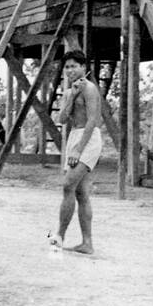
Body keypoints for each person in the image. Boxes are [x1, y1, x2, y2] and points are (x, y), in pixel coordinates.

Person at [54, 49, 103, 255]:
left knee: (67, 186)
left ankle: (59, 237)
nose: (70, 70)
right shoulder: (69, 91)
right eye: (67, 67)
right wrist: (72, 96)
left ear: (84, 67)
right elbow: (62, 119)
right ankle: (87, 243)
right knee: (81, 193)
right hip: (74, 135)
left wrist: (78, 148)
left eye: (74, 66)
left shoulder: (90, 88)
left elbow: (93, 120)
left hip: (88, 139)